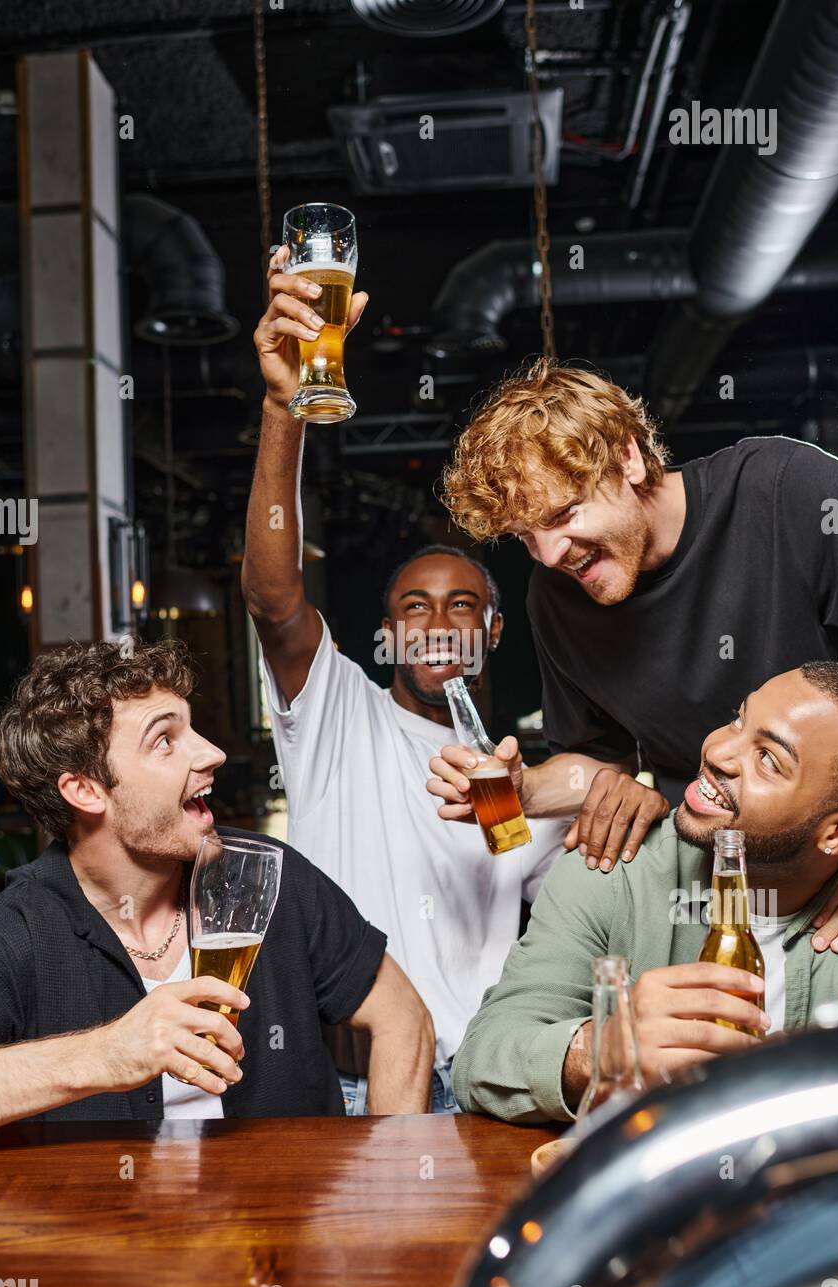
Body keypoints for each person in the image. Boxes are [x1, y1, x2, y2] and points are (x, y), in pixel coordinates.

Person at [244, 249, 567, 1114]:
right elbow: (274, 600)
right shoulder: (339, 715)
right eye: (414, 609)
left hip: (488, 1086)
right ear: (387, 635)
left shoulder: (521, 779)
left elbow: (574, 920)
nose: (437, 623)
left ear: (492, 632)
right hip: (349, 1084)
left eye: (462, 605)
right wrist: (285, 410)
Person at [430, 358, 838, 953]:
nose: (551, 553)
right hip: (722, 893)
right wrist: (524, 789)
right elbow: (597, 762)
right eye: (526, 535)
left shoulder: (782, 488)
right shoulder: (555, 599)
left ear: (628, 458)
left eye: (563, 515)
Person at [0, 638, 434, 1127]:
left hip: (288, 1203)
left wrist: (396, 1177)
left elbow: (403, 1018)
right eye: (164, 739)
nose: (213, 753)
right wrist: (110, 1054)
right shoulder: (17, 931)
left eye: (191, 728)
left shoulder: (267, 876)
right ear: (85, 790)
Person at [452, 662, 838, 1124]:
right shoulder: (612, 867)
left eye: (768, 759)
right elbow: (481, 1060)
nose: (719, 752)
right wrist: (600, 1051)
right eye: (737, 719)